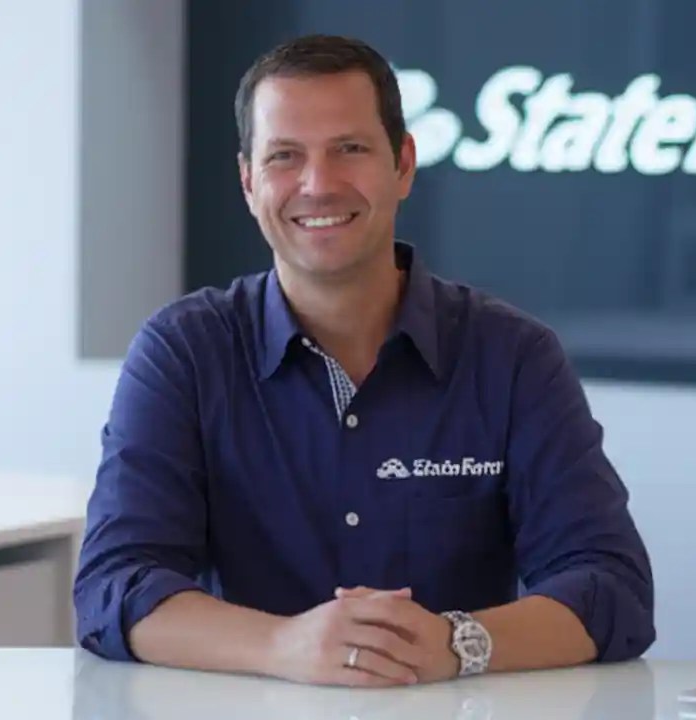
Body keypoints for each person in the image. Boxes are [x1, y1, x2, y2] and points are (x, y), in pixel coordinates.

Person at [74, 34, 655, 687]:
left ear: (403, 164)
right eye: (285, 157)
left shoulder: (513, 357)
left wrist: (457, 641)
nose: (317, 185)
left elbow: (612, 590)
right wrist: (284, 645)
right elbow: (115, 587)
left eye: (349, 149)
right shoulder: (183, 353)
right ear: (247, 181)